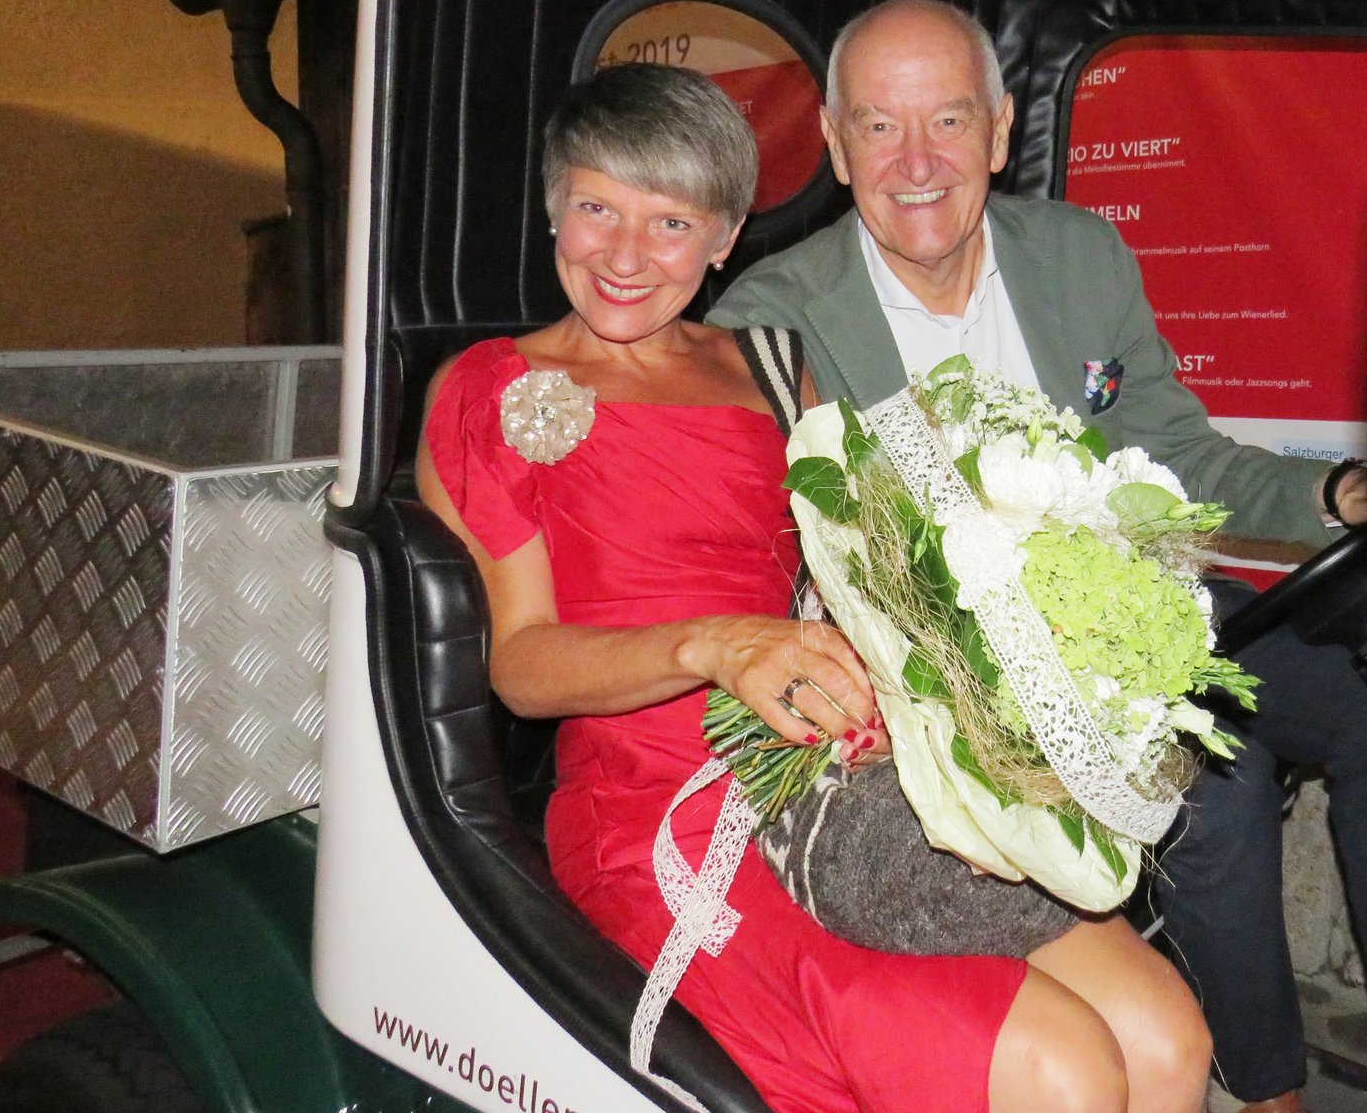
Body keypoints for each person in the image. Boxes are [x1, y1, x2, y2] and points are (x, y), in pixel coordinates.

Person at [707, 0, 1367, 1113]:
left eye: (949, 122)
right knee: (1217, 772)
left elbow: (1172, 455)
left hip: (1138, 621)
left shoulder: (1075, 256)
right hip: (964, 681)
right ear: (830, 141)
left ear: (1003, 130)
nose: (916, 163)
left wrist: (1334, 497)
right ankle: (1266, 1094)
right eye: (878, 127)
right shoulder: (770, 321)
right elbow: (766, 560)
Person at [417, 62, 1211, 1113]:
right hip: (657, 808)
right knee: (1058, 1068)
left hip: (839, 776)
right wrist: (717, 647)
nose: (622, 255)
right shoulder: (492, 389)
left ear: (723, 238)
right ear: (555, 210)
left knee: (1164, 1035)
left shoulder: (769, 362)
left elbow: (851, 577)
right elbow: (519, 667)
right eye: (596, 208)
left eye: (669, 224)